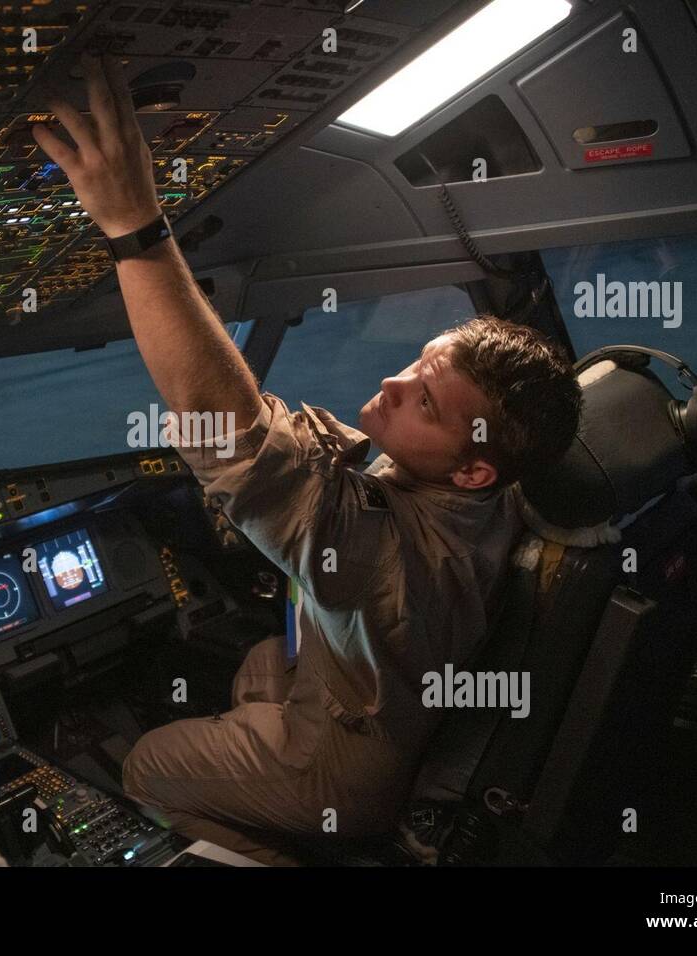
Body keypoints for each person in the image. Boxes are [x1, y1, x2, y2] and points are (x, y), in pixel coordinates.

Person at [32, 54, 583, 864]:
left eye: (425, 403)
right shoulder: (483, 487)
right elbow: (327, 453)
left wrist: (134, 227)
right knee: (258, 660)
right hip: (360, 701)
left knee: (148, 766)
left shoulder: (396, 561)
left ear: (473, 470)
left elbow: (236, 437)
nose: (392, 386)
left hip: (340, 772)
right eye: (418, 365)